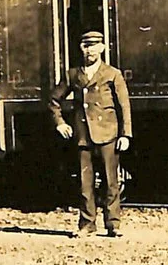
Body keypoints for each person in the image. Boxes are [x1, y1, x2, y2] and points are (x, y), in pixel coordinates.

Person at [48, 30, 132, 238]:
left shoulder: (113, 74)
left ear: (102, 48)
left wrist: (125, 134)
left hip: (108, 134)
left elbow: (124, 106)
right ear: (81, 48)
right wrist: (60, 123)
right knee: (85, 183)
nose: (90, 50)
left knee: (110, 181)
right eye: (86, 46)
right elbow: (53, 101)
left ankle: (113, 224)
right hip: (83, 135)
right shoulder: (73, 75)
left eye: (94, 46)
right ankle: (87, 224)